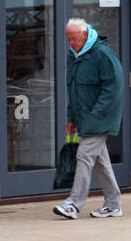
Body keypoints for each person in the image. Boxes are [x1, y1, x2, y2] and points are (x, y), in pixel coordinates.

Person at [54, 17, 126, 219]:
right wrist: (72, 118)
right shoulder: (74, 56)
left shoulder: (103, 55)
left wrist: (96, 114)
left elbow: (114, 88)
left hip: (99, 119)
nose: (71, 43)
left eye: (74, 38)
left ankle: (73, 205)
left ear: (86, 36)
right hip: (85, 118)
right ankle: (113, 205)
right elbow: (74, 91)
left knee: (83, 157)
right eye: (68, 39)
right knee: (100, 163)